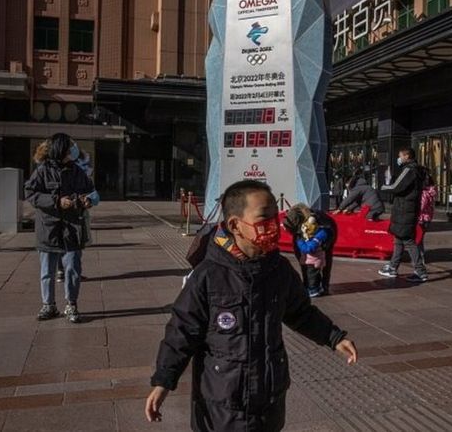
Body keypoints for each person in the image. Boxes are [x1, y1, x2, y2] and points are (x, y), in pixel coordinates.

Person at [145, 180, 357, 430]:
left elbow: (301, 313)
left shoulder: (279, 270)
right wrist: (163, 381)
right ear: (235, 225)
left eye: (273, 217)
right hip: (222, 403)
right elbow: (182, 330)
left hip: (269, 398)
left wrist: (333, 337)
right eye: (263, 218)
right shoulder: (208, 275)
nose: (273, 226)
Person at [24, 133, 96, 324]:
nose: (73, 149)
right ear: (60, 149)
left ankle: (71, 304)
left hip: (72, 228)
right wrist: (56, 201)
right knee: (47, 271)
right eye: (70, 146)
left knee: (72, 268)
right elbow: (31, 194)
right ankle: (48, 305)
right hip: (48, 228)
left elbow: (91, 191)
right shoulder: (42, 170)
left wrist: (87, 200)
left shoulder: (77, 171)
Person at [378, 147, 426, 281]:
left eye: (400, 155)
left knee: (408, 241)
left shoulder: (409, 170)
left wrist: (385, 185)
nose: (399, 158)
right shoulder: (414, 169)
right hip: (406, 209)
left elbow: (396, 187)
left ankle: (420, 271)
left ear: (406, 156)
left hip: (405, 210)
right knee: (398, 239)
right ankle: (393, 267)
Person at [283, 204, 338, 295]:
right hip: (305, 230)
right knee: (305, 261)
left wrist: (324, 246)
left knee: (324, 260)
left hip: (326, 232)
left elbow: (330, 234)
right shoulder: (295, 220)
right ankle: (309, 284)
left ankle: (324, 285)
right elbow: (298, 250)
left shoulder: (320, 221)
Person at [416, 167, 437, 264]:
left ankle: (420, 258)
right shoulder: (430, 191)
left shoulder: (424, 192)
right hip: (427, 218)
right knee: (419, 239)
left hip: (421, 218)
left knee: (417, 239)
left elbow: (421, 206)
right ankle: (420, 257)